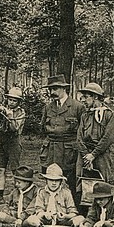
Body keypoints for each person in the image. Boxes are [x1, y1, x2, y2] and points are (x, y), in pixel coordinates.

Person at [39, 74, 85, 205]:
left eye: (55, 89)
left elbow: (82, 131)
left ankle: (72, 209)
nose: (52, 92)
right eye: (50, 89)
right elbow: (43, 128)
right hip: (50, 150)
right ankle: (50, 208)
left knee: (69, 181)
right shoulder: (48, 107)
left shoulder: (77, 107)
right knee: (50, 179)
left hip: (68, 151)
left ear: (64, 89)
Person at [23, 163, 85, 227]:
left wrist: (65, 215)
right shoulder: (41, 192)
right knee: (31, 219)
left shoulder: (66, 192)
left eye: (57, 180)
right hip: (45, 221)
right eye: (51, 180)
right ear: (46, 180)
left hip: (63, 223)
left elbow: (73, 212)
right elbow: (38, 211)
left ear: (61, 181)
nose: (54, 183)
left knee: (81, 218)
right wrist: (45, 214)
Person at [77, 82, 114, 187]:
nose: (83, 100)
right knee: (82, 183)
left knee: (101, 186)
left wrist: (93, 155)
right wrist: (86, 156)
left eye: (86, 97)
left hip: (101, 156)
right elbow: (79, 137)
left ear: (95, 97)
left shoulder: (109, 115)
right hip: (84, 155)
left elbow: (108, 137)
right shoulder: (85, 116)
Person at [0, 86, 26, 204]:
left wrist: (10, 116)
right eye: (10, 99)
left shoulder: (21, 113)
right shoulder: (4, 109)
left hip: (14, 143)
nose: (11, 102)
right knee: (0, 170)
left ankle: (16, 196)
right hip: (2, 142)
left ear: (19, 102)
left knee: (14, 171)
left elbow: (14, 129)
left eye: (14, 100)